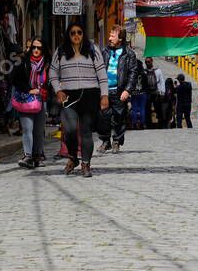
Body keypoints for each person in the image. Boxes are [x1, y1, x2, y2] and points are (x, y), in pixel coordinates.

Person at [51, 23, 108, 178]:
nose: (76, 35)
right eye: (73, 33)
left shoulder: (92, 50)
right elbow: (53, 73)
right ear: (68, 35)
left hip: (90, 95)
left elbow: (102, 75)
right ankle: (73, 157)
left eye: (79, 32)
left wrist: (104, 95)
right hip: (69, 96)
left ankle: (86, 164)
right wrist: (58, 90)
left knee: (86, 131)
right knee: (69, 130)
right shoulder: (60, 51)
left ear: (83, 34)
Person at [98, 25, 141, 154]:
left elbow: (133, 73)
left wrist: (127, 90)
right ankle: (105, 142)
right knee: (103, 117)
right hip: (104, 91)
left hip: (119, 91)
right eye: (110, 35)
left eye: (112, 36)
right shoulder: (104, 51)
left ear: (120, 38)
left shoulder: (129, 54)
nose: (110, 38)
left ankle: (116, 141)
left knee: (119, 118)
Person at [11, 37, 48, 169]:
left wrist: (45, 90)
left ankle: (37, 156)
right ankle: (28, 156)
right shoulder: (22, 61)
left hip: (41, 100)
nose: (36, 50)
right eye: (34, 47)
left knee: (38, 130)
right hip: (25, 99)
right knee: (28, 129)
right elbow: (14, 79)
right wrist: (29, 89)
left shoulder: (47, 63)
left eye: (39, 48)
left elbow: (52, 79)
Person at [142, 58, 164, 129]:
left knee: (158, 108)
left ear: (152, 61)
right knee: (147, 109)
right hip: (148, 93)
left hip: (156, 92)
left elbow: (161, 81)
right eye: (146, 62)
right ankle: (149, 124)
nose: (147, 63)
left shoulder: (158, 71)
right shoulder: (144, 72)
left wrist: (162, 91)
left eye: (148, 61)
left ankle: (161, 124)